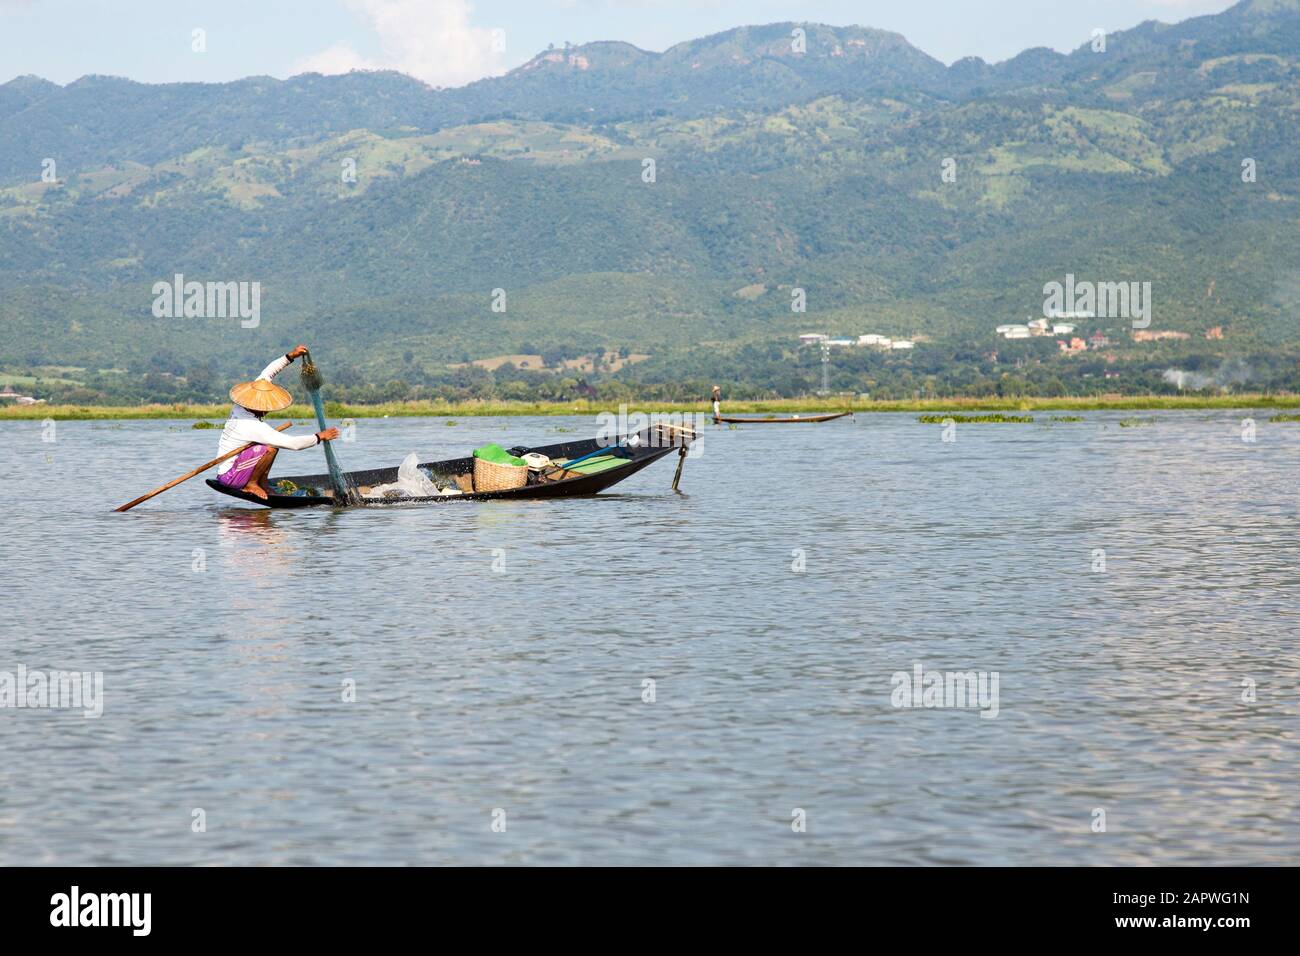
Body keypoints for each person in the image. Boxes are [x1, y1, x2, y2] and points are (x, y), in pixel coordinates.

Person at [216, 346, 339, 499]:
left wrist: (290, 356)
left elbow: (267, 373)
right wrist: (320, 436)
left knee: (270, 447)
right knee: (269, 449)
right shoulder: (252, 426)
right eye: (265, 407)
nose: (267, 410)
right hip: (230, 478)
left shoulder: (241, 406)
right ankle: (251, 484)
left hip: (234, 468)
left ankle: (262, 482)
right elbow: (294, 444)